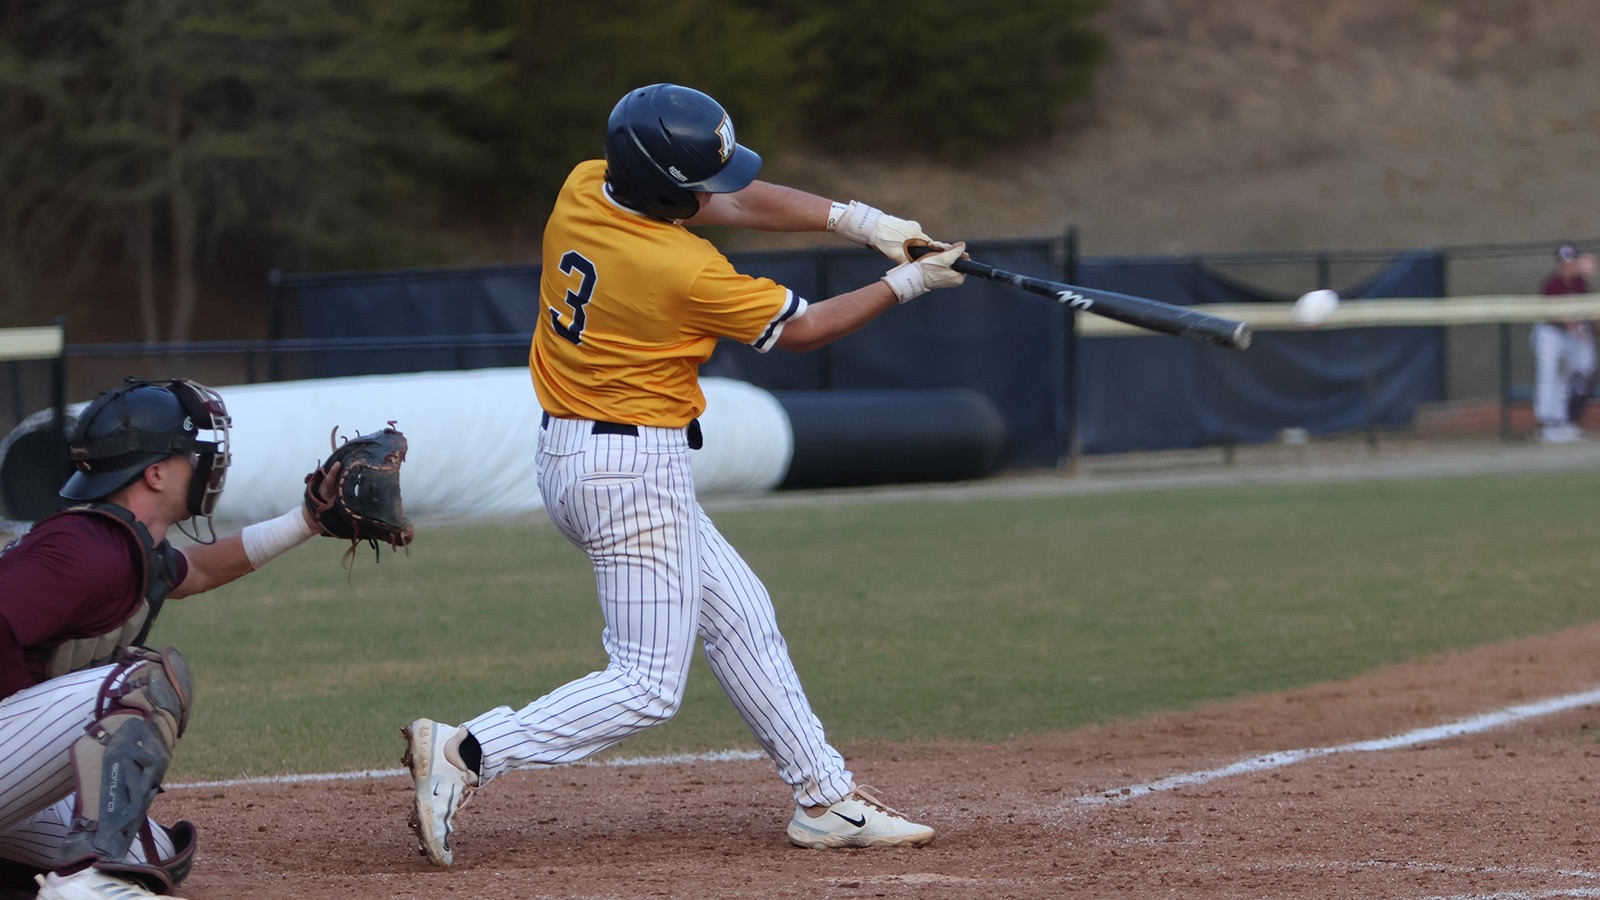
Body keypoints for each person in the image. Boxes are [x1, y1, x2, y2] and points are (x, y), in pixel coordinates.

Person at [401, 83, 967, 866]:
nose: (714, 194)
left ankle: (825, 798)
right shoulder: (680, 268)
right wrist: (904, 283)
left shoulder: (585, 185)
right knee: (645, 686)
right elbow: (800, 330)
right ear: (668, 191)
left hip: (574, 453)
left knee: (741, 614)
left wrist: (858, 222)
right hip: (630, 472)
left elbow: (728, 201)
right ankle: (468, 752)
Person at [0, 379, 341, 899]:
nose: (208, 462)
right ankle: (88, 879)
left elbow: (196, 570)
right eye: (191, 453)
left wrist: (307, 520)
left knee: (152, 856)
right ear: (155, 473)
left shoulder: (121, 546)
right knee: (141, 682)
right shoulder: (86, 551)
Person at [1532, 244, 1597, 443]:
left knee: (1581, 369)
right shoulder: (1553, 283)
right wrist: (1574, 328)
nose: (1568, 265)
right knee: (1549, 373)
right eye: (1564, 261)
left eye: (1571, 260)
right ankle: (1548, 423)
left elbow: (1589, 311)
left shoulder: (1580, 283)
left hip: (1572, 335)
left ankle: (1565, 420)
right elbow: (1557, 316)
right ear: (1559, 263)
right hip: (1551, 333)